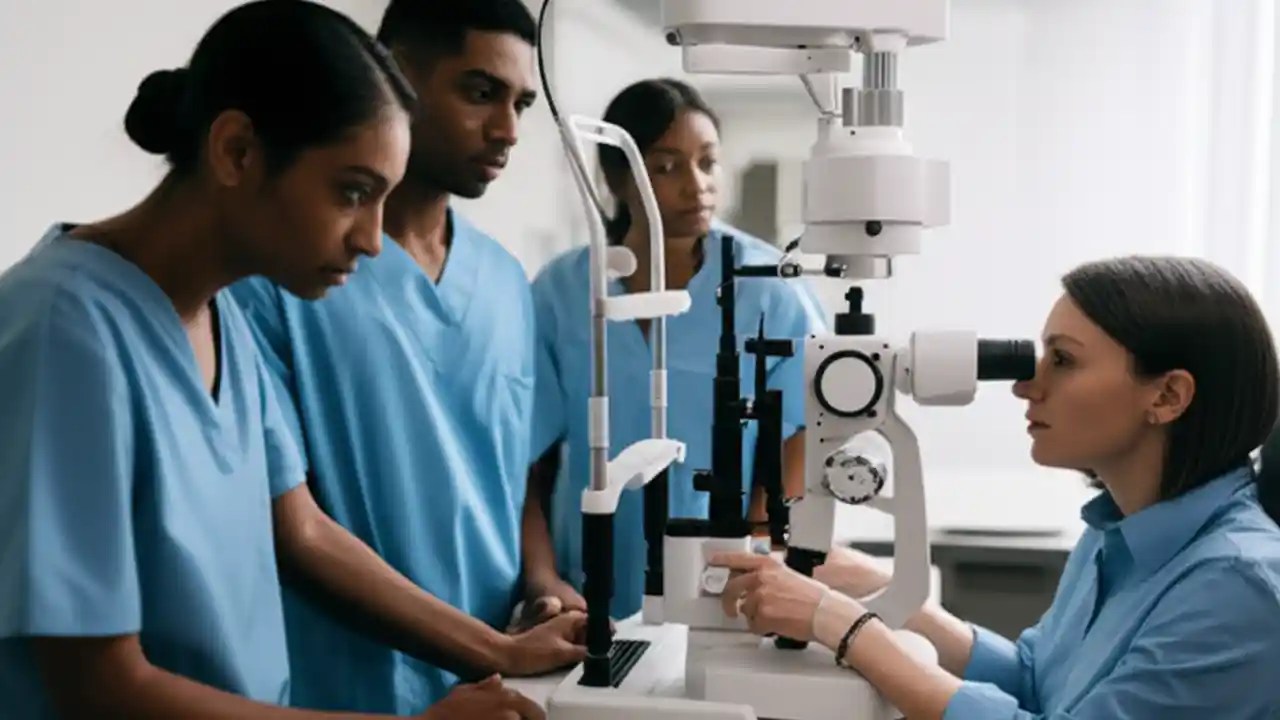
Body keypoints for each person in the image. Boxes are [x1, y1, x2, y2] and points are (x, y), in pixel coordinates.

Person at [0, 2, 547, 719]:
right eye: (352, 193)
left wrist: (499, 652)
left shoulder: (219, 313)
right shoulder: (64, 328)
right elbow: (102, 686)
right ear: (235, 152)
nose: (372, 241)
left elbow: (304, 529)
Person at [712, 256, 1280, 719]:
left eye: (1063, 360)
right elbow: (1036, 681)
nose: (1027, 385)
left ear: (1167, 397)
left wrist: (842, 626)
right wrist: (883, 589)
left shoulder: (1237, 585)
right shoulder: (1117, 532)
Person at [227, 1, 574, 715]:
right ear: (395, 75)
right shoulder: (280, 276)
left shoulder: (506, 282)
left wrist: (540, 586)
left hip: (498, 687)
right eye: (480, 93)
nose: (508, 130)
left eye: (522, 104)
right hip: (343, 690)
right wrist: (490, 648)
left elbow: (510, 486)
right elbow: (289, 527)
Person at [522, 78, 828, 622]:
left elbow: (803, 431)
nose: (697, 187)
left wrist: (758, 548)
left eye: (708, 163)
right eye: (666, 167)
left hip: (720, 581)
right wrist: (544, 580)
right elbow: (529, 463)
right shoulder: (562, 291)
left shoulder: (765, 285)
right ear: (617, 177)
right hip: (584, 586)